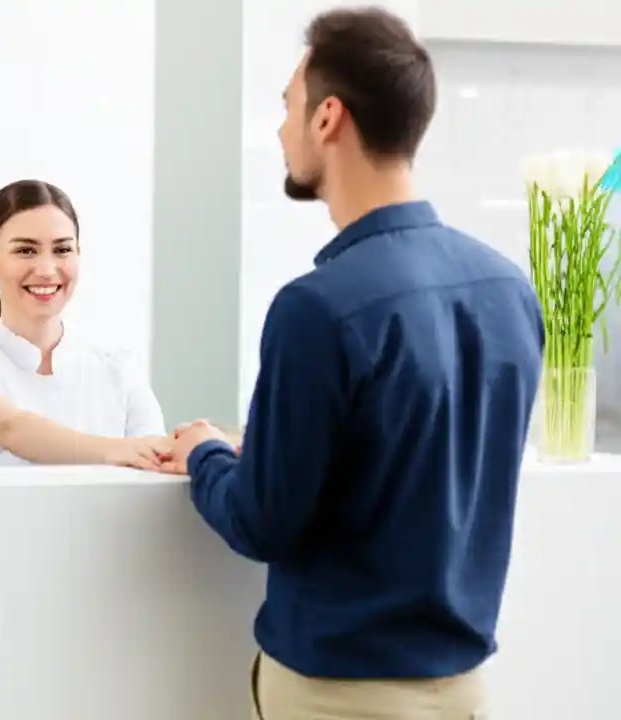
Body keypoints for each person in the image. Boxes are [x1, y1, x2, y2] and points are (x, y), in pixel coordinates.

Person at [162, 8, 544, 719]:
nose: (281, 129)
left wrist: (207, 455)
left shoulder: (318, 308)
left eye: (287, 107)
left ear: (328, 117)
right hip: (466, 694)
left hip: (339, 699)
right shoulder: (509, 289)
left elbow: (262, 522)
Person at [0, 179, 172, 469]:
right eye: (25, 251)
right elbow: (10, 428)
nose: (46, 269)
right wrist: (115, 450)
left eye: (62, 250)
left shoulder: (117, 368)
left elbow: (156, 461)